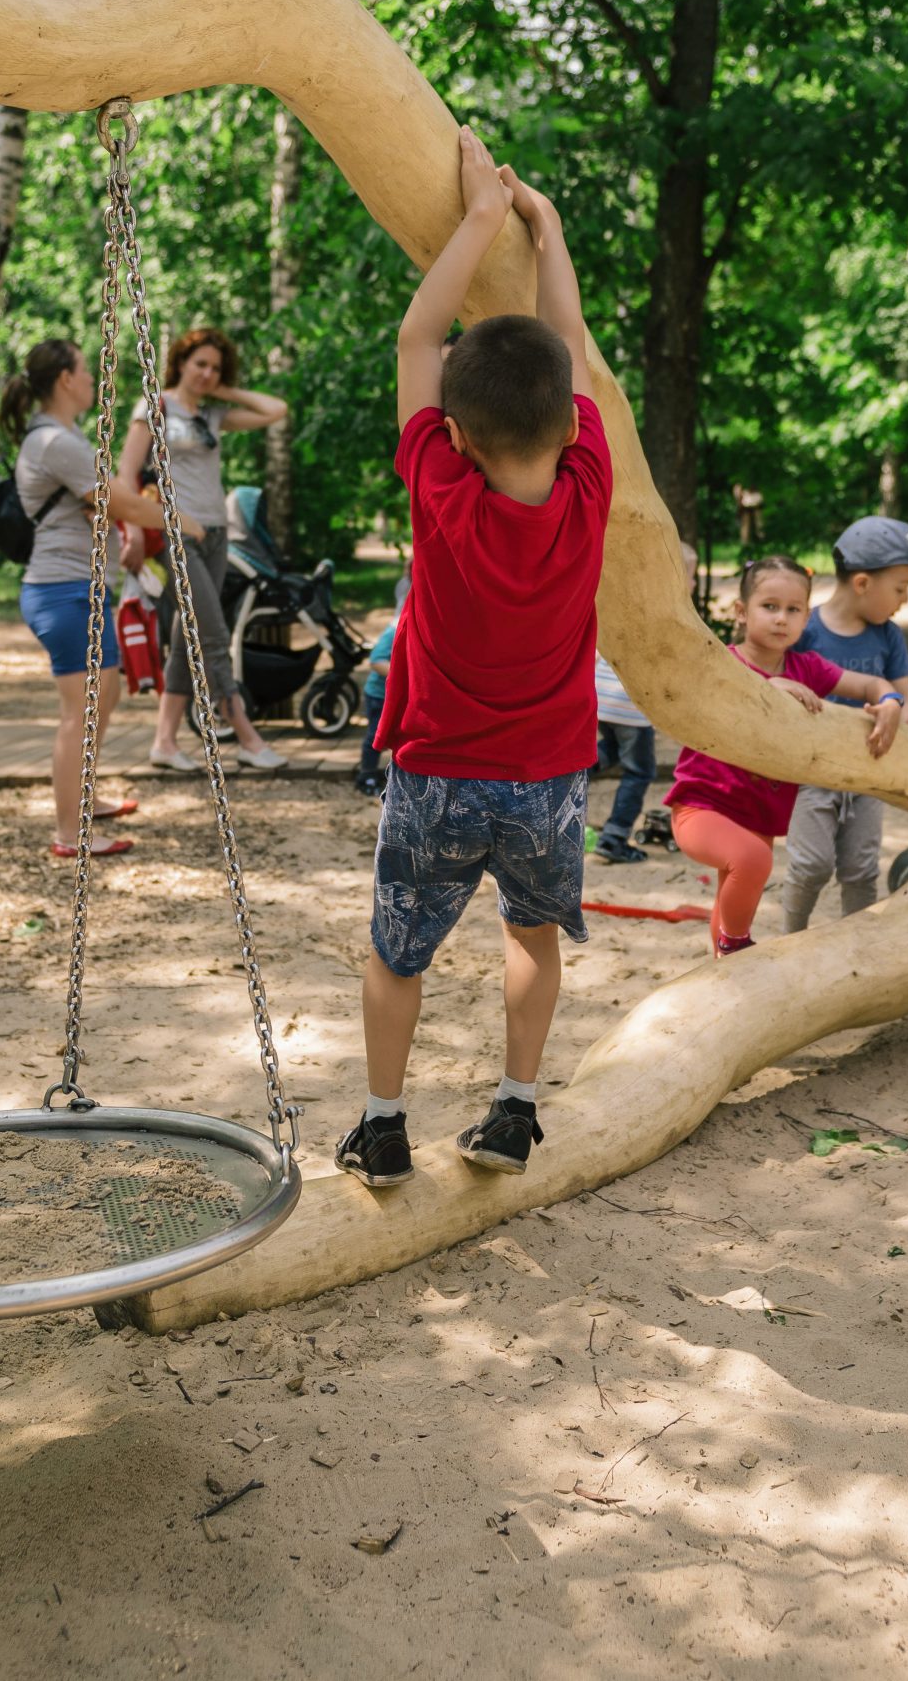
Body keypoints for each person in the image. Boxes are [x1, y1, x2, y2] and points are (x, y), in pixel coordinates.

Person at [339, 127, 610, 1191]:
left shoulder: (440, 491)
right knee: (532, 932)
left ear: (450, 432)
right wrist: (545, 232)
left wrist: (479, 222)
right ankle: (514, 1107)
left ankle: (384, 1124)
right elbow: (569, 337)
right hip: (546, 780)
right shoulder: (589, 488)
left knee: (397, 950)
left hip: (436, 773)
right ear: (565, 422)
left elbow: (416, 336)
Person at [665, 556, 901, 957]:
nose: (781, 619)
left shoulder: (808, 668)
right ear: (742, 612)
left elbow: (869, 684)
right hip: (701, 806)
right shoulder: (723, 665)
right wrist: (769, 689)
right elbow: (709, 707)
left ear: (807, 618)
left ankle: (725, 965)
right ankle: (738, 948)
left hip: (758, 812)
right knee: (753, 861)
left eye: (793, 610)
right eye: (769, 607)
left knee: (735, 889)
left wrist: (890, 699)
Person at [6, 336, 171, 856]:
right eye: (86, 370)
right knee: (82, 711)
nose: (96, 380)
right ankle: (67, 834)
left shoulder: (60, 437)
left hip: (77, 587)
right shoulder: (56, 442)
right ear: (65, 380)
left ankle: (83, 798)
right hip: (62, 591)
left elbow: (100, 501)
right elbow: (122, 501)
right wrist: (181, 520)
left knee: (106, 694)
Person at [116, 328, 293, 773]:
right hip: (175, 535)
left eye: (215, 367)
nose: (207, 373)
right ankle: (246, 736)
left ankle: (164, 742)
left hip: (215, 536)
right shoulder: (154, 407)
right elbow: (125, 474)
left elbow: (276, 410)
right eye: (200, 364)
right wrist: (134, 530)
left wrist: (225, 389)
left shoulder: (213, 415)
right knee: (212, 633)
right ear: (180, 362)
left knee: (185, 637)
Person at [783, 517, 908, 931]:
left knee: (861, 868)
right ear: (862, 583)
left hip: (867, 775)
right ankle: (789, 937)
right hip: (813, 772)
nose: (905, 598)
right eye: (900, 588)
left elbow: (905, 697)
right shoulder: (806, 631)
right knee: (810, 866)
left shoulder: (887, 636)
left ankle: (857, 944)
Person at [589, 542, 698, 865]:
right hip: (630, 705)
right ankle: (614, 837)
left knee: (609, 749)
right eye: (689, 576)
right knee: (640, 772)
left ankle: (577, 771)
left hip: (603, 697)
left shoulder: (625, 600)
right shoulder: (668, 613)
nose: (691, 584)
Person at [355, 573, 411, 797]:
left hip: (394, 696)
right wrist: (401, 676)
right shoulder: (394, 629)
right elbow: (376, 660)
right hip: (379, 696)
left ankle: (387, 774)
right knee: (375, 736)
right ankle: (366, 773)